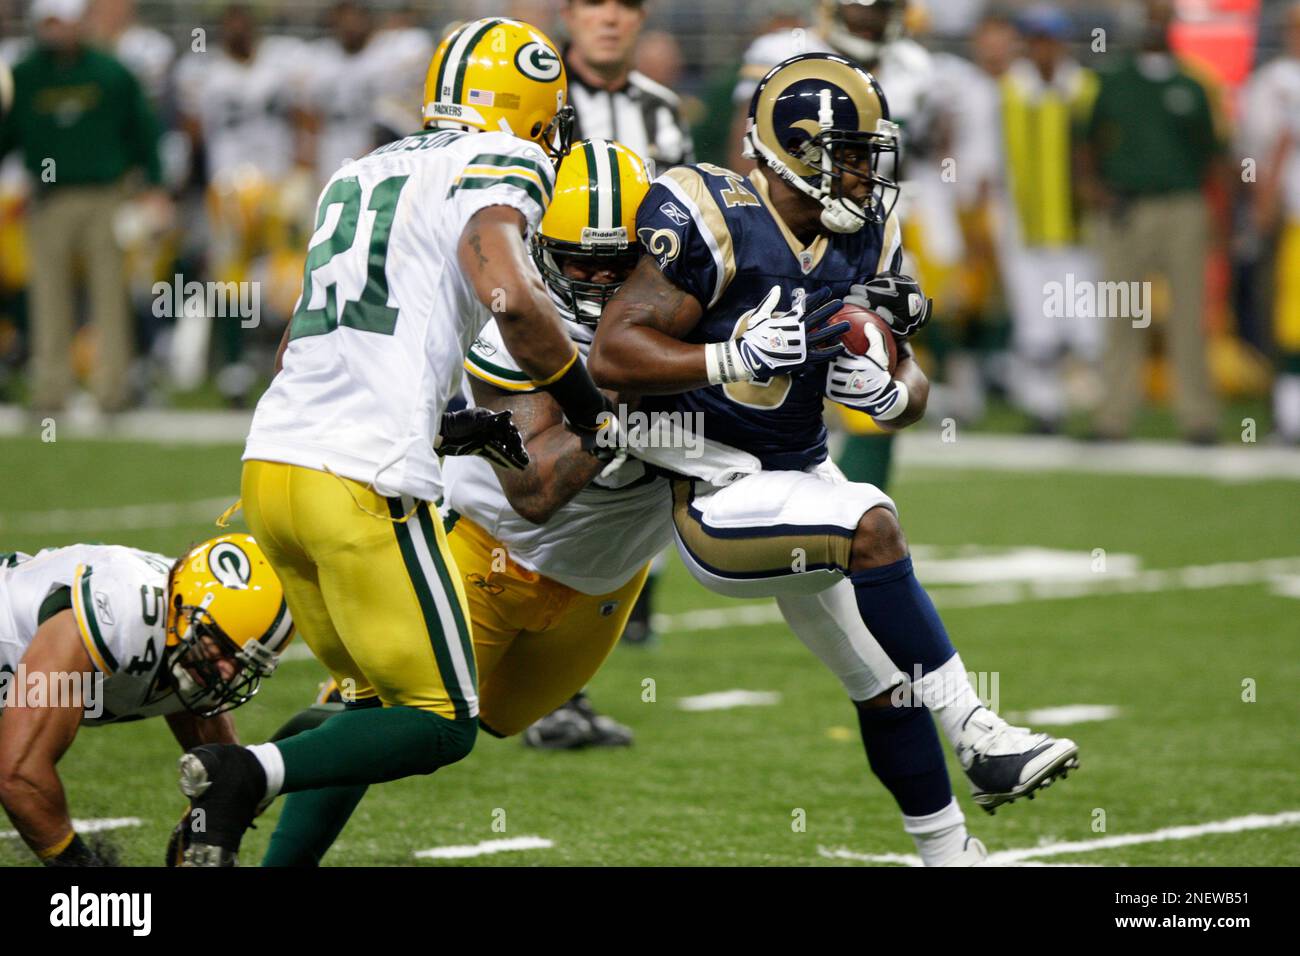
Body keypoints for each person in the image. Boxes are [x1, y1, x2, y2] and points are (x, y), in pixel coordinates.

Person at [589, 53, 1079, 866]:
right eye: (849, 153)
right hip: (716, 490)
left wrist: (893, 395)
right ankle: (981, 732)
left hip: (799, 482)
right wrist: (729, 357)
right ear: (793, 150)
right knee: (871, 521)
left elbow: (911, 376)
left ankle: (951, 854)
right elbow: (614, 353)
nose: (865, 171)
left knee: (890, 685)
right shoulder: (713, 213)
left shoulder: (868, 232)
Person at [172, 17, 613, 868]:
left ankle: (248, 832)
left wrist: (449, 418)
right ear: (520, 107)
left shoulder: (360, 167)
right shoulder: (498, 160)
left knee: (369, 704)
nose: (554, 139)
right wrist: (588, 407)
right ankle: (241, 775)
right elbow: (512, 300)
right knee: (443, 719)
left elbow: (326, 339)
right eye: (549, 117)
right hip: (361, 482)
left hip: (274, 470)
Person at [241, 141, 679, 865]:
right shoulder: (516, 324)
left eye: (617, 263)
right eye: (578, 264)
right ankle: (265, 812)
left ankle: (297, 747)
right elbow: (535, 490)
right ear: (541, 251)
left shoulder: (696, 299)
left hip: (606, 577)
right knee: (410, 715)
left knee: (497, 721)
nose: (599, 282)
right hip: (493, 551)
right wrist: (627, 409)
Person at [0, 535, 293, 866]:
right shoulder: (119, 615)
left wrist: (203, 828)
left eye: (243, 663)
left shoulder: (193, 631)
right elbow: (20, 774)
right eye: (223, 650)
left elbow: (221, 779)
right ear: (184, 612)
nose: (227, 674)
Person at [0, 0, 170, 415]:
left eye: (64, 22)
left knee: (109, 293)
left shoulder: (110, 72)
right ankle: (52, 389)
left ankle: (111, 389)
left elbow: (143, 131)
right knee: (47, 294)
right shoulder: (25, 74)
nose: (58, 31)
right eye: (51, 23)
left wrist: (154, 186)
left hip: (104, 193)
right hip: (48, 197)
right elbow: (8, 135)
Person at [1079, 0, 1226, 444]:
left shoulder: (1193, 84)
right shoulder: (1113, 82)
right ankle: (1114, 416)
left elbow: (1214, 155)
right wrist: (1093, 188)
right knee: (1123, 314)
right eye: (1150, 17)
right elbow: (1085, 142)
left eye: (1162, 17)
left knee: (1189, 316)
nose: (1155, 25)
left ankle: (1198, 418)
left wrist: (1216, 215)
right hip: (1128, 208)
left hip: (1182, 206)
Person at [996, 5, 1101, 434]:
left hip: (1079, 227)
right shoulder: (1009, 89)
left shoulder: (1086, 89)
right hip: (1023, 225)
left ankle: (1095, 409)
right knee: (1035, 325)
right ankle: (1045, 409)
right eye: (1035, 39)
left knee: (1083, 325)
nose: (1042, 48)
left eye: (1050, 39)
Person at [1240, 1, 1300, 444]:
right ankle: (1290, 417)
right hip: (1292, 219)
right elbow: (1259, 154)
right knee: (1288, 320)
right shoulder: (1272, 82)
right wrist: (1262, 206)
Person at [561, 0, 694, 169]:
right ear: (568, 15)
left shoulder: (663, 106)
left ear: (641, 18)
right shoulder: (541, 100)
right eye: (594, 3)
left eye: (627, 4)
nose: (610, 18)